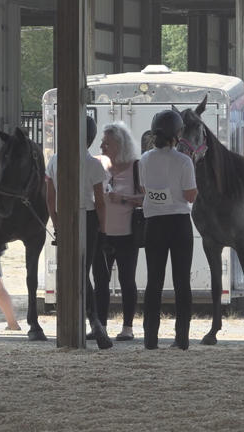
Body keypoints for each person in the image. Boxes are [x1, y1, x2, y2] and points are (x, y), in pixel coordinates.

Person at [140, 110, 197, 350]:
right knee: (182, 282)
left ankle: (150, 339)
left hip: (153, 223)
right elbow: (190, 196)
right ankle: (181, 338)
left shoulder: (144, 159)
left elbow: (145, 189)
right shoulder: (184, 161)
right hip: (179, 223)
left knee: (154, 281)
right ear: (177, 134)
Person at [45, 115, 107, 339]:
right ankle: (95, 321)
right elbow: (100, 201)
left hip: (64, 216)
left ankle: (76, 320)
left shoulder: (54, 160)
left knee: (69, 269)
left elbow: (50, 198)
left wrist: (56, 221)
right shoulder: (94, 164)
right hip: (88, 218)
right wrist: (103, 227)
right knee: (83, 270)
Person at [91, 121, 144, 341]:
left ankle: (127, 327)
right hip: (101, 233)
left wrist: (122, 198)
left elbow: (145, 198)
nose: (102, 147)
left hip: (127, 235)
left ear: (120, 145)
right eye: (102, 143)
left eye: (107, 143)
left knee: (127, 280)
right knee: (100, 281)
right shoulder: (99, 164)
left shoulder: (136, 167)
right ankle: (100, 325)